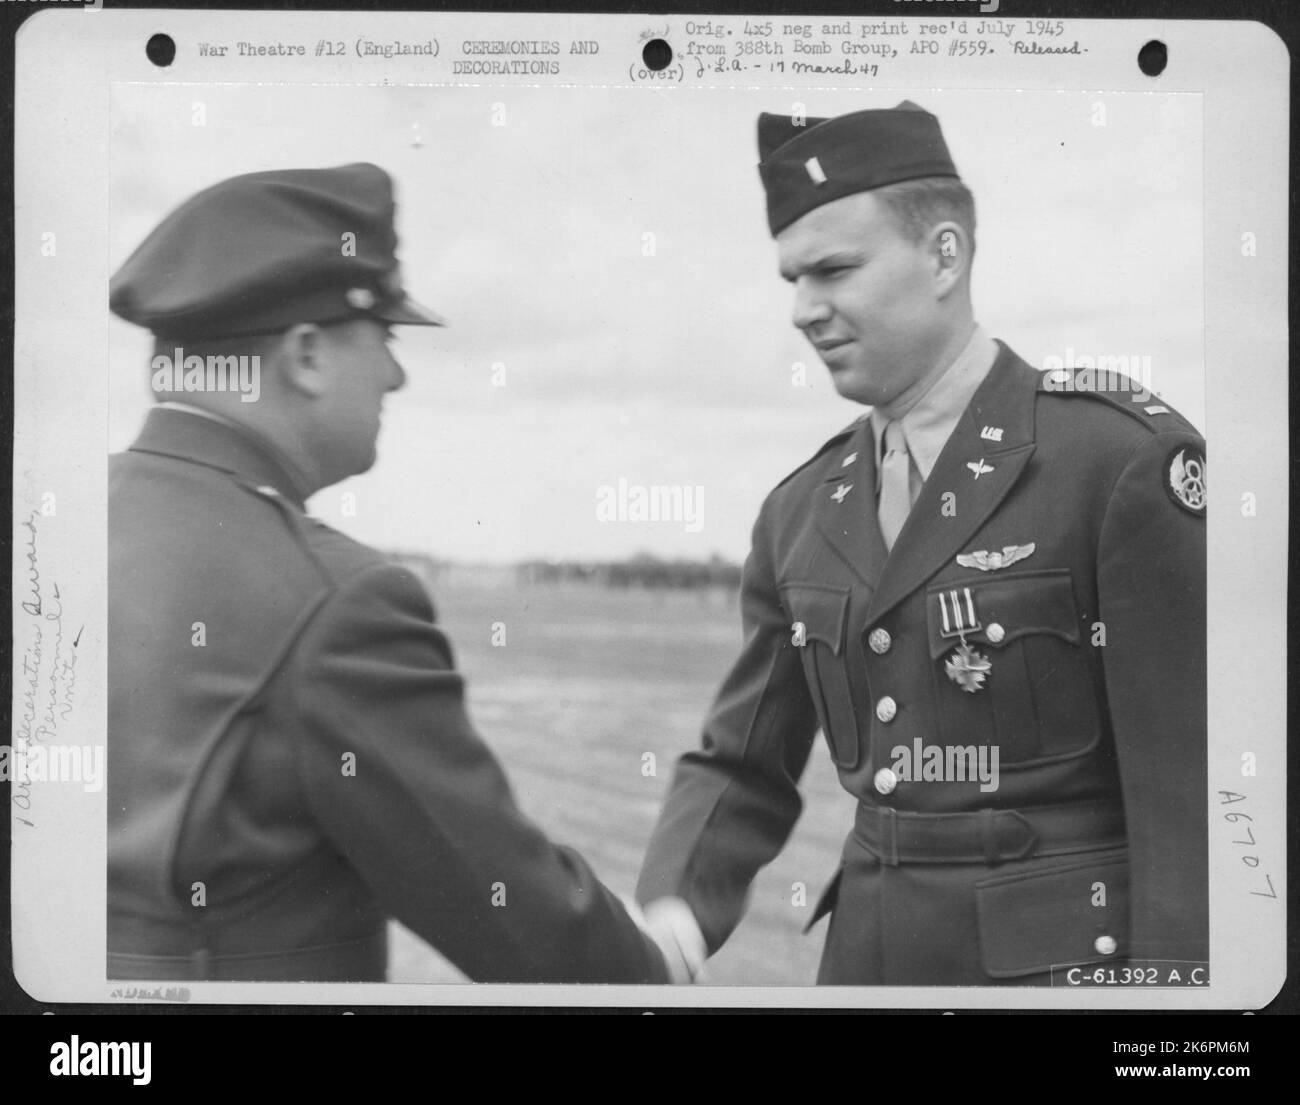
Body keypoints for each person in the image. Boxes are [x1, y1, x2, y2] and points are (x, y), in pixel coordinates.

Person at [636, 103, 1208, 985]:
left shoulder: (1115, 461)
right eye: (792, 278)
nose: (802, 310)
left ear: (945, 254)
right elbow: (744, 758)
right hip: (866, 967)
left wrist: (1181, 1026)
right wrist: (670, 919)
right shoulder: (800, 510)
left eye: (833, 270)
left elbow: (1192, 797)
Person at [107, 162, 687, 984]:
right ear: (306, 355)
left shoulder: (50, 531)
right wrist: (649, 962)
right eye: (384, 335)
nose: (396, 373)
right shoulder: (336, 604)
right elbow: (527, 933)